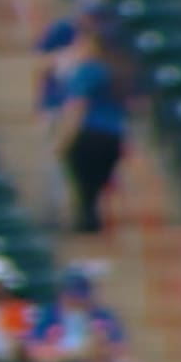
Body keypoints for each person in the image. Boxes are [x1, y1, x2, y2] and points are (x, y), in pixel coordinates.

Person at [54, 24, 128, 234]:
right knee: (97, 192)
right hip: (113, 136)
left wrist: (64, 139)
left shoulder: (86, 72)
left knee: (85, 195)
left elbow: (77, 107)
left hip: (89, 136)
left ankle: (88, 236)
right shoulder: (116, 71)